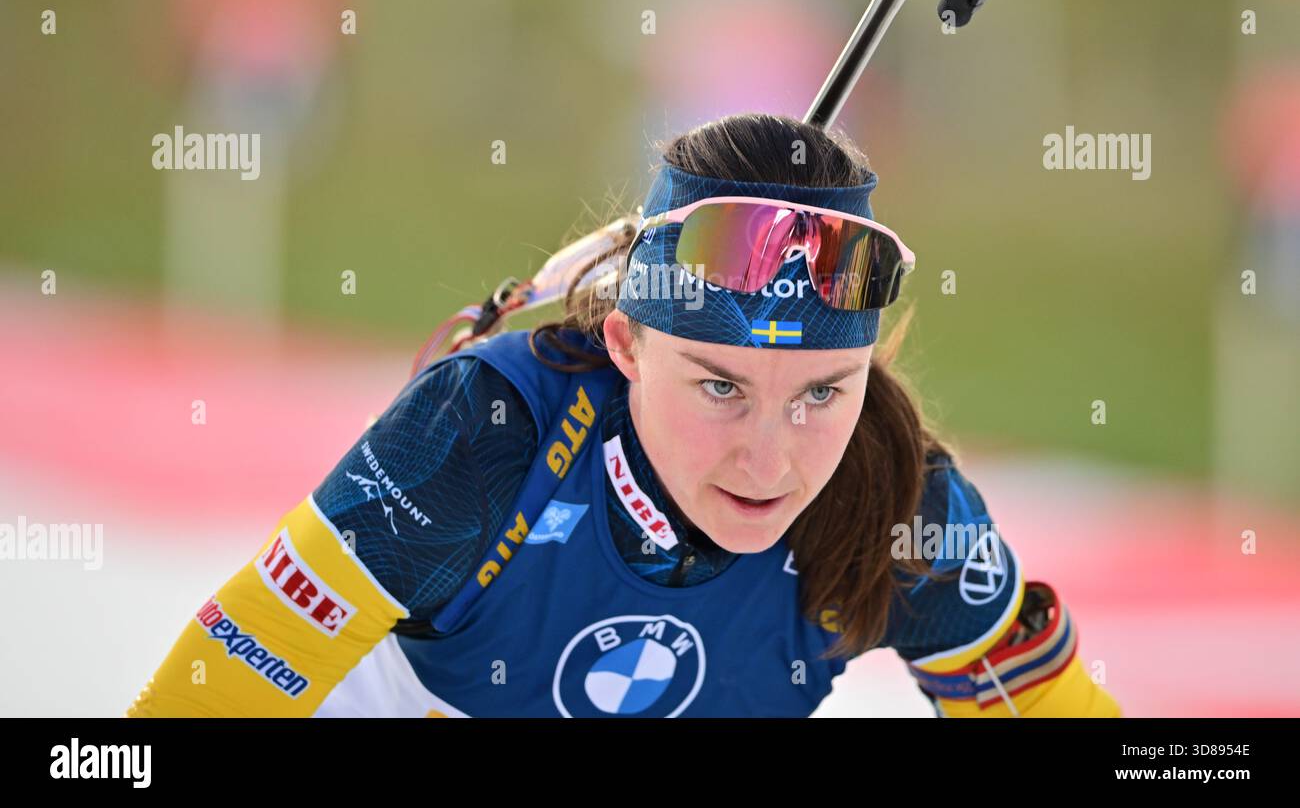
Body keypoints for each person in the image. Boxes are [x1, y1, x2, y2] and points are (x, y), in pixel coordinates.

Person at [127, 113, 1121, 717]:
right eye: (719, 385)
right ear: (627, 345)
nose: (769, 458)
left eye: (823, 390)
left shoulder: (898, 499)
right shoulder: (481, 438)